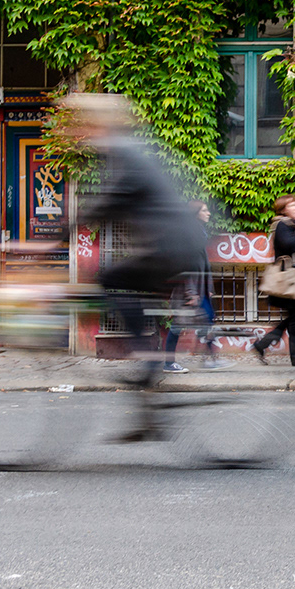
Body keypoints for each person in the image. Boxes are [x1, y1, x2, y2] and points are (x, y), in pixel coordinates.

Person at [61, 94, 208, 441]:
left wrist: (49, 242)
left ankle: (147, 355)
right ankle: (148, 416)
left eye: (79, 125)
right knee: (130, 286)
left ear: (94, 124)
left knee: (111, 276)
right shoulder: (124, 149)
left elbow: (108, 202)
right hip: (174, 245)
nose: (77, 133)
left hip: (172, 246)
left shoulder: (124, 151)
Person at [164, 201, 234, 371]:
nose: (208, 213)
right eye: (204, 210)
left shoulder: (198, 233)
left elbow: (202, 264)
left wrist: (207, 287)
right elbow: (185, 265)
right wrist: (191, 292)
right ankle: (168, 363)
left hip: (199, 289)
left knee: (207, 321)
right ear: (195, 213)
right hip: (188, 292)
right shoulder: (189, 234)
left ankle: (210, 360)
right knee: (177, 327)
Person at [252, 195, 295, 367]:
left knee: (293, 318)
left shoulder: (287, 225)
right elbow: (290, 245)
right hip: (288, 280)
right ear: (283, 209)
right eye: (293, 205)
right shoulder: (282, 225)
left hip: (293, 280)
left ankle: (262, 344)